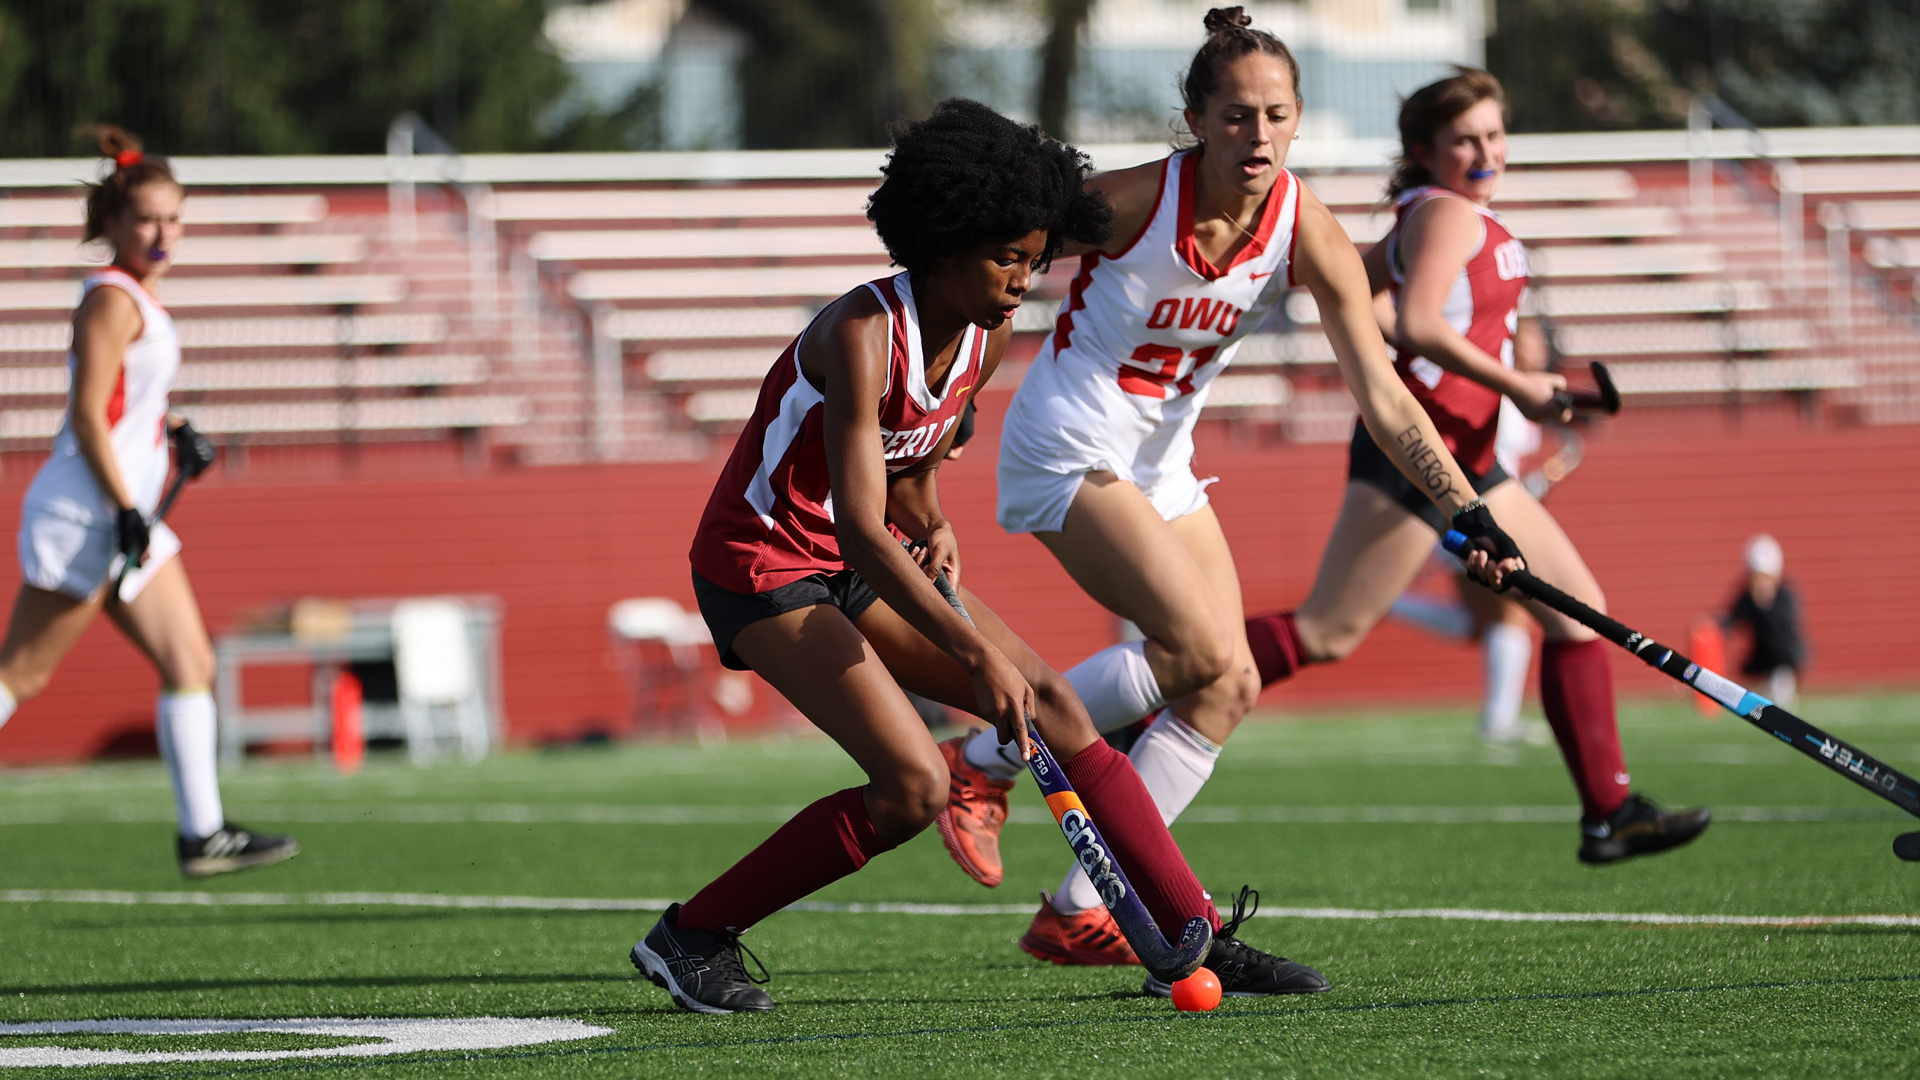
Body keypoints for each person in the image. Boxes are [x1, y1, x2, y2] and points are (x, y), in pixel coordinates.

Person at [631, 99, 1321, 1015]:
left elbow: (906, 483)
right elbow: (868, 529)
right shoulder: (860, 335)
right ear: (942, 242)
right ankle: (691, 937)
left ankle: (1190, 933)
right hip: (761, 565)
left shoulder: (986, 336)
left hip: (848, 557)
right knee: (914, 787)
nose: (1025, 278)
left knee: (1062, 707)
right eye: (1007, 258)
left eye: (1037, 259)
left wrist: (939, 515)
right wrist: (972, 652)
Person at [935, 8, 1524, 988]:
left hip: (1163, 464)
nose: (1258, 136)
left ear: (1297, 121)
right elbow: (998, 275)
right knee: (1196, 650)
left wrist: (1470, 511)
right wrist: (949, 399)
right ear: (1196, 120)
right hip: (1067, 446)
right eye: (1238, 116)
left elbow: (1383, 395)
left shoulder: (1306, 228)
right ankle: (989, 759)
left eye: (1277, 115)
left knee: (1230, 681)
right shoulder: (1125, 203)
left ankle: (1081, 911)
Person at [1240, 67, 1710, 864]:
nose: (1486, 151)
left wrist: (1509, 388)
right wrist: (1521, 384)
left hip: (1476, 460)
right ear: (1427, 150)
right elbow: (1420, 322)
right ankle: (1169, 680)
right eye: (1465, 140)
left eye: (1494, 135)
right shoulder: (1449, 213)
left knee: (1576, 608)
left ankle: (1610, 811)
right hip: (1420, 458)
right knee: (1325, 631)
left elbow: (1379, 302)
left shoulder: (1431, 215)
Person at [0, 127, 298, 877]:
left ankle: (203, 834)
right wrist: (126, 505)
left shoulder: (139, 298)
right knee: (22, 675)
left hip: (123, 510)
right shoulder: (111, 297)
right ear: (111, 223)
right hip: (88, 513)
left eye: (174, 218)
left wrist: (173, 429)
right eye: (145, 219)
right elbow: (87, 413)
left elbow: (133, 404)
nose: (162, 233)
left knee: (190, 658)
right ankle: (202, 831)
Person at [1723, 534, 1804, 707]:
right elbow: (1731, 620)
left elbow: (1782, 635)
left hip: (1783, 660)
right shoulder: (1746, 598)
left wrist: (1766, 607)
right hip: (1760, 661)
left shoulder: (1784, 597)